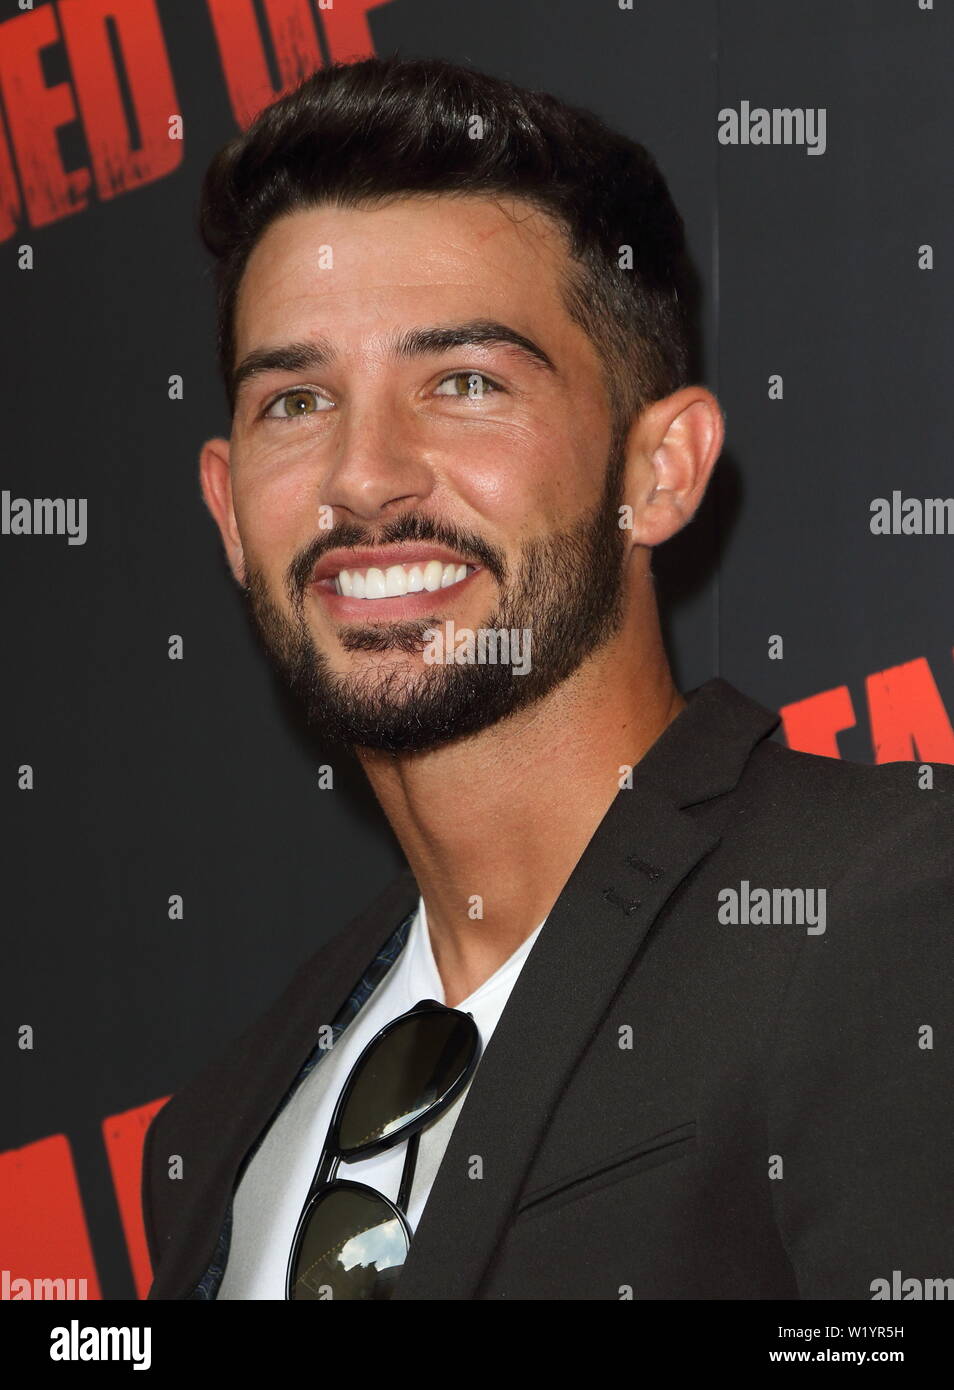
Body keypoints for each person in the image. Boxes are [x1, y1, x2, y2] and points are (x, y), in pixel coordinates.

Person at [142, 55, 954, 1301]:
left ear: (662, 468)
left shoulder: (884, 916)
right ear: (227, 508)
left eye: (462, 383)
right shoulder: (213, 1130)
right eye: (296, 400)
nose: (364, 476)